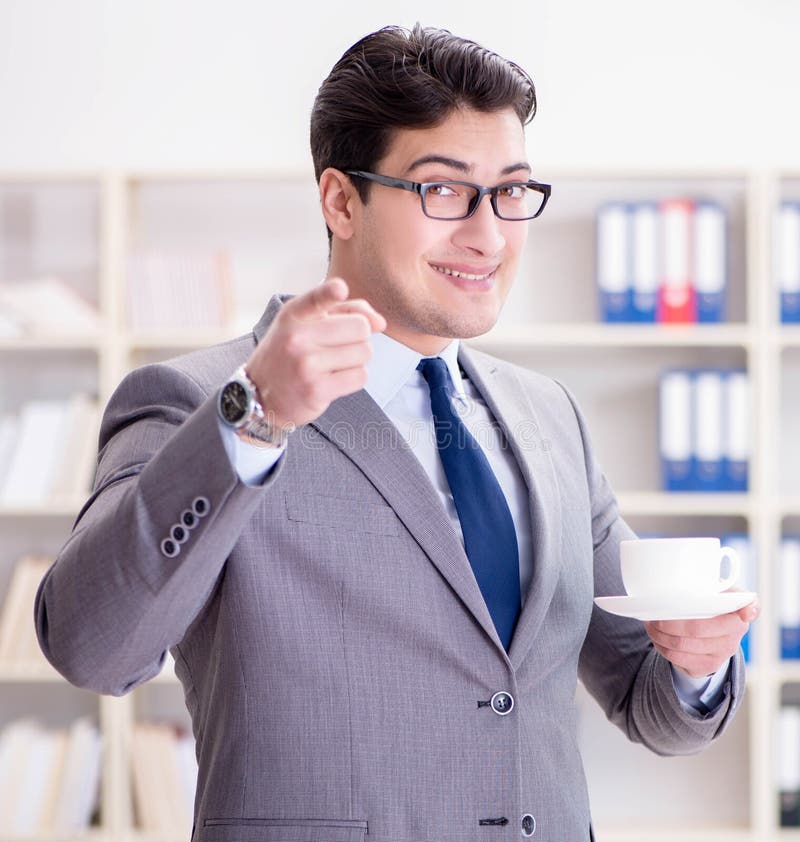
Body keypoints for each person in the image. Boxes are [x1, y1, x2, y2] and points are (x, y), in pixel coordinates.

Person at [35, 24, 758, 842]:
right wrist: (255, 418)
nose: (489, 235)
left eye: (512, 190)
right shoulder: (200, 400)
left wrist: (696, 665)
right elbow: (91, 647)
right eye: (444, 191)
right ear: (342, 200)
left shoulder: (549, 417)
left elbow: (649, 703)